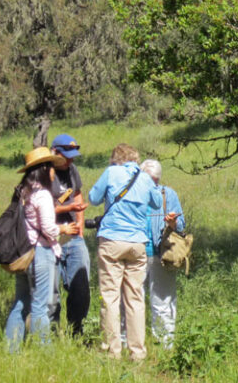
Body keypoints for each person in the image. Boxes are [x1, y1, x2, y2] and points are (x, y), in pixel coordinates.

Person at [88, 144, 162, 360]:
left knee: (111, 297)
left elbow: (93, 197)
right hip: (138, 243)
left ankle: (113, 351)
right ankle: (137, 352)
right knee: (135, 298)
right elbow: (157, 203)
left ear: (115, 159)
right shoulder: (145, 178)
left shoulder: (112, 172)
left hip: (112, 239)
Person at [5, 147, 78, 351]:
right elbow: (48, 229)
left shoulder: (23, 191)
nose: (54, 171)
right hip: (41, 253)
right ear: (45, 168)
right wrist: (63, 228)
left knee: (21, 302)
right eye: (52, 166)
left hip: (24, 253)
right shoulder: (42, 194)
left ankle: (11, 348)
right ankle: (44, 350)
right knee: (40, 305)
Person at [49, 133, 90, 336]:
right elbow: (39, 209)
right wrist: (68, 209)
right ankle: (52, 333)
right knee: (51, 294)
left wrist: (80, 222)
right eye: (66, 156)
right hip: (50, 238)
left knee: (81, 288)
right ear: (55, 152)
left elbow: (78, 192)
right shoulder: (44, 173)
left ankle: (77, 330)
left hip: (73, 237)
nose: (71, 160)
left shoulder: (71, 169)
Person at [140, 159, 185, 347]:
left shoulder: (168, 194)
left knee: (162, 301)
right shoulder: (135, 194)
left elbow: (181, 226)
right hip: (137, 254)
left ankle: (165, 344)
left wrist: (172, 223)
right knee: (135, 300)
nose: (153, 183)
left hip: (162, 254)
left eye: (156, 179)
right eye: (150, 179)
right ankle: (135, 343)